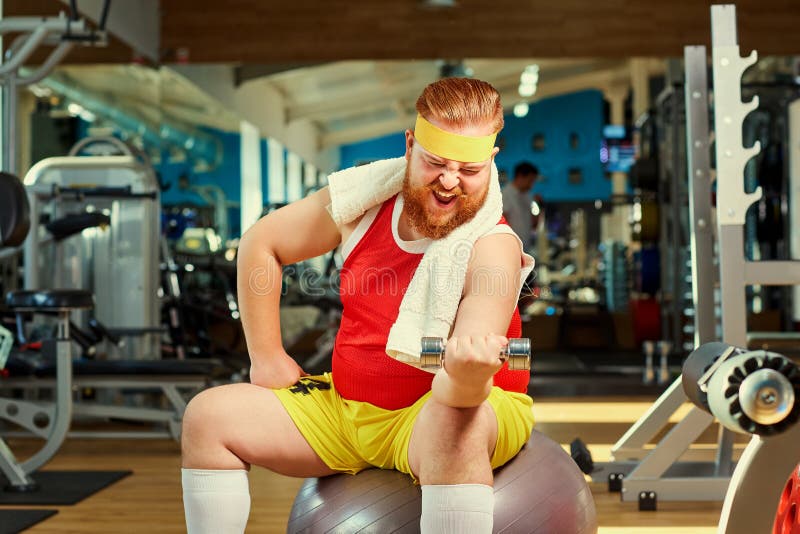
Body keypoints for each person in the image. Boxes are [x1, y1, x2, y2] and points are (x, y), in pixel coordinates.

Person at [180, 77, 535, 534]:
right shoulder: (363, 202)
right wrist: (266, 356)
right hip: (347, 411)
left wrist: (466, 376)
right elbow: (261, 243)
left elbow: (468, 362)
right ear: (410, 146)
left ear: (491, 160)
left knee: (454, 426)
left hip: (441, 410)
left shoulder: (493, 246)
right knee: (207, 417)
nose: (449, 182)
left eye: (468, 169)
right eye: (435, 163)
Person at [502, 161, 539, 249]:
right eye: (530, 181)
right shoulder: (505, 195)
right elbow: (502, 224)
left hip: (525, 247)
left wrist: (538, 205)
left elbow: (534, 222)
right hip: (510, 248)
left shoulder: (527, 195)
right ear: (520, 176)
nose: (531, 185)